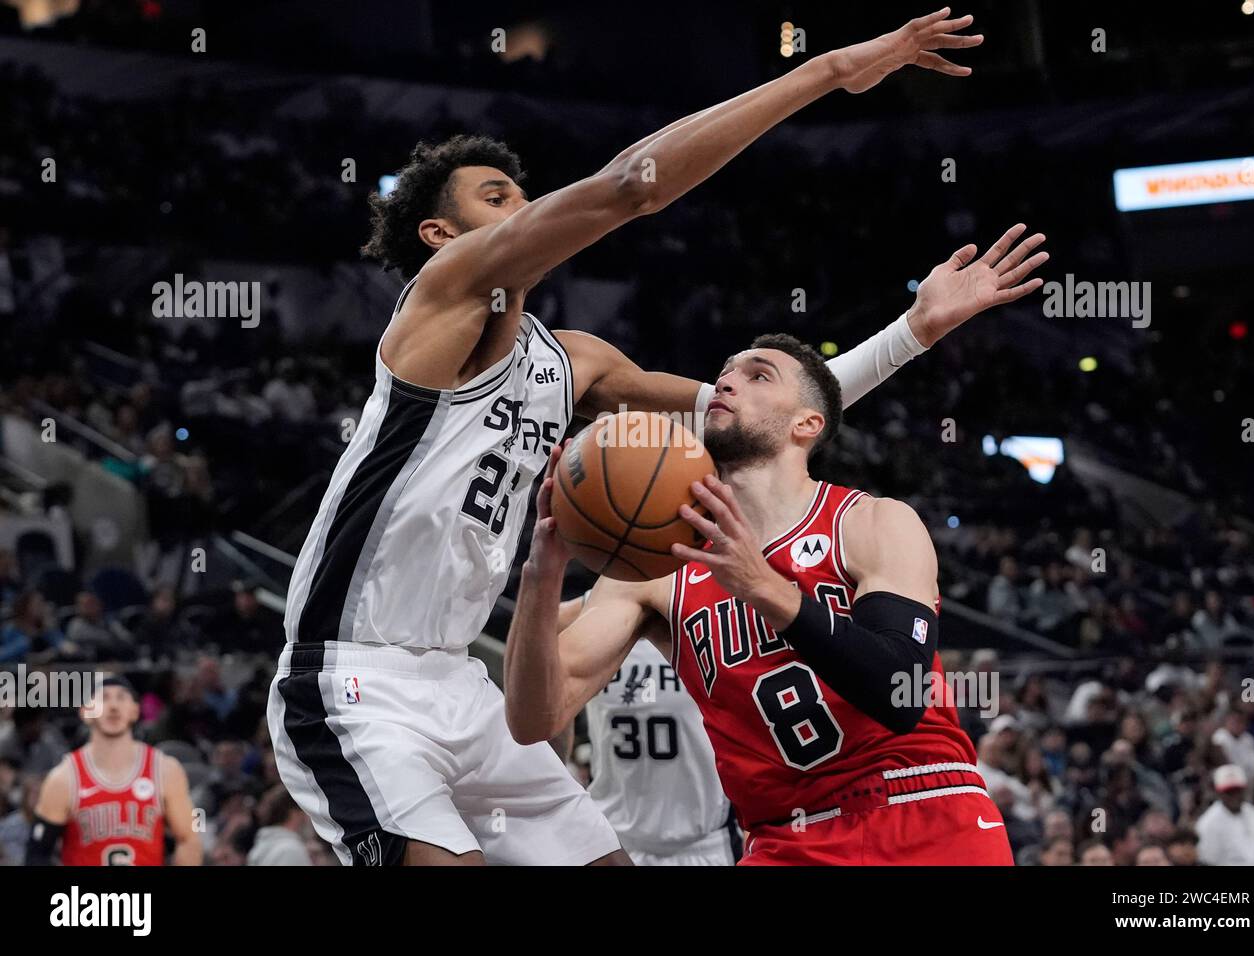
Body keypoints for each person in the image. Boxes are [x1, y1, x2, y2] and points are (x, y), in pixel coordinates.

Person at [269, 9, 1045, 866]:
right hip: (355, 673)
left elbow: (752, 416)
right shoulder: (442, 296)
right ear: (440, 237)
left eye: (525, 197)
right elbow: (632, 187)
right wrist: (821, 73)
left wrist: (911, 333)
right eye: (498, 200)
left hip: (458, 679)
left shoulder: (579, 364)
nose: (527, 212)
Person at [505, 334, 1017, 864]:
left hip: (921, 807)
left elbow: (899, 692)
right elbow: (533, 719)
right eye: (725, 371)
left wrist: (766, 589)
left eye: (758, 375)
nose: (726, 381)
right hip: (781, 838)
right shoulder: (657, 568)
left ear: (807, 424)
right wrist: (541, 574)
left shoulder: (871, 521)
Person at [556, 594, 737, 865]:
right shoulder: (584, 613)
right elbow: (548, 623)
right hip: (612, 841)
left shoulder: (713, 613)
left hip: (704, 844)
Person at [26, 676, 201, 865]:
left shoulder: (166, 770)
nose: (113, 706)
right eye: (104, 698)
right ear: (85, 712)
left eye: (121, 697)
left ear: (135, 711)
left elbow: (188, 839)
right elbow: (37, 853)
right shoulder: (63, 778)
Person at [1194, 764, 1254, 866]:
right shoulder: (1207, 823)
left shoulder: (1253, 812)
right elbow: (1207, 861)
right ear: (1219, 793)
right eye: (1229, 792)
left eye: (1238, 791)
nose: (1235, 796)